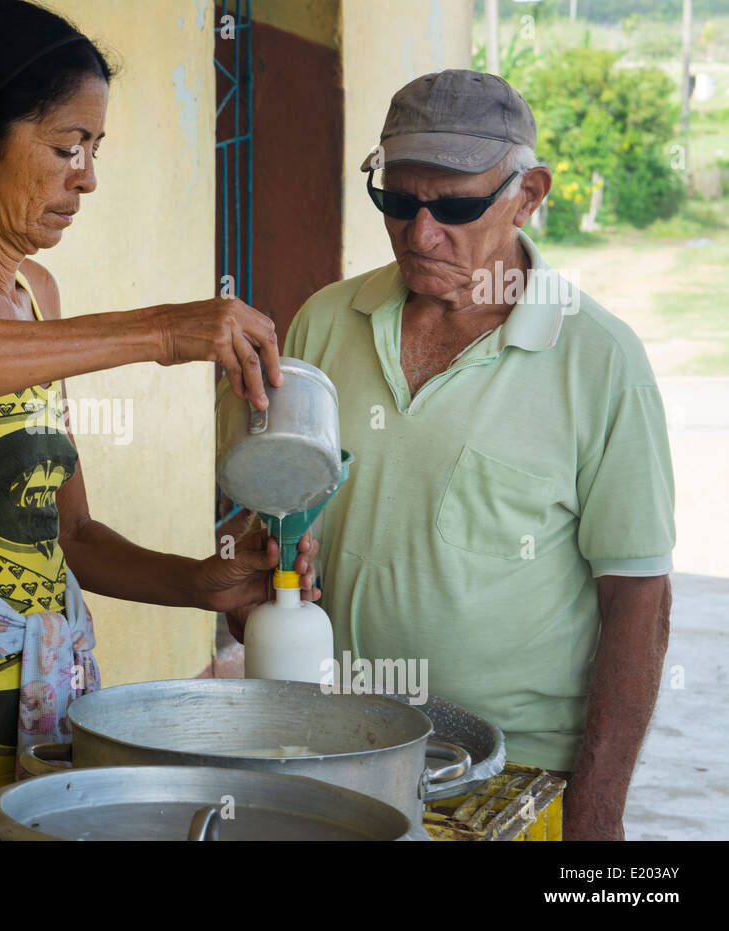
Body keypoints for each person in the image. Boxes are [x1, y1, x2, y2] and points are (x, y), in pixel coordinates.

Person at [0, 0, 318, 841]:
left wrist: (199, 583)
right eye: (66, 145)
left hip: (44, 755)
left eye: (94, 150)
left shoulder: (39, 298)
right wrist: (158, 331)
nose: (86, 177)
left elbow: (69, 534)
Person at [242, 70, 675, 841]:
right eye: (398, 202)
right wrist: (275, 555)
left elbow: (638, 598)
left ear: (530, 192)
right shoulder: (324, 325)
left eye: (457, 207)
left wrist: (599, 812)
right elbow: (272, 526)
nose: (420, 233)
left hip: (518, 773)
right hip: (342, 755)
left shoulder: (598, 360)